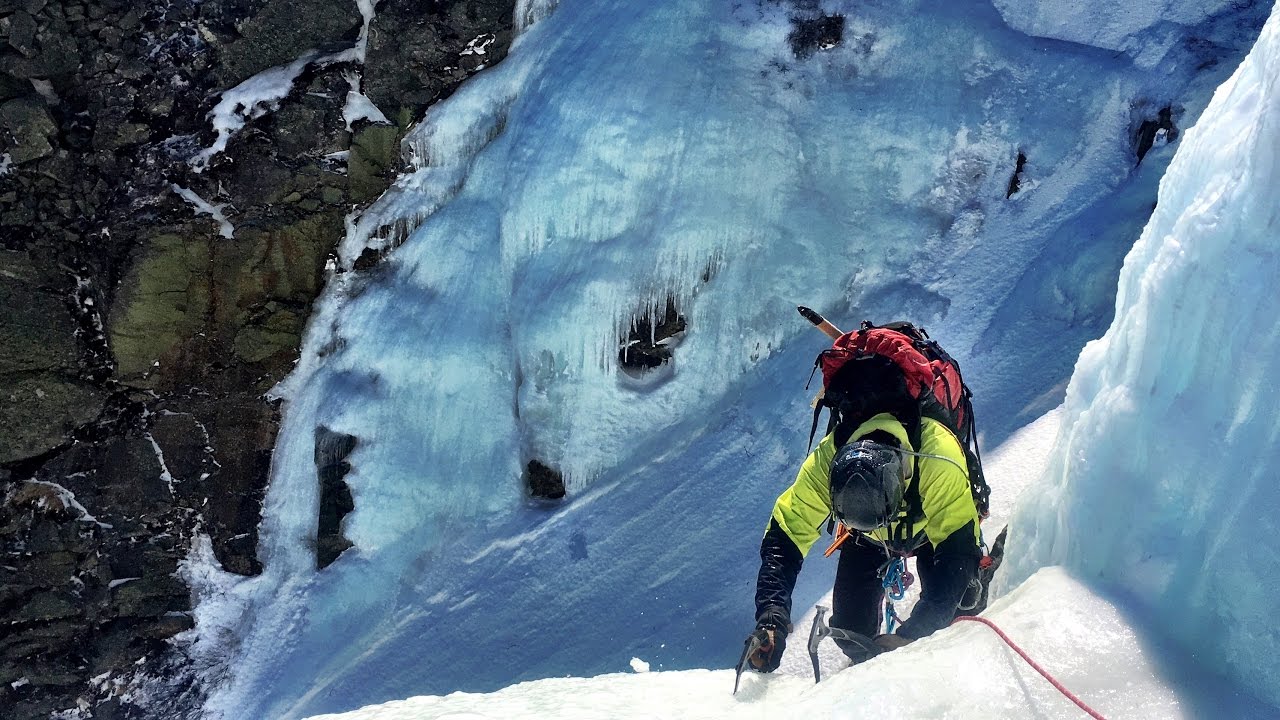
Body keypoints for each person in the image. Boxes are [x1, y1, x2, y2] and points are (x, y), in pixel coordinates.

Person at [745, 409, 982, 671]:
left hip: (931, 530)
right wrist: (771, 615)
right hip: (865, 535)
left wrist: (912, 636)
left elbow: (957, 549)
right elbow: (785, 536)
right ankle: (867, 675)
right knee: (851, 632)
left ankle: (983, 574)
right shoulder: (826, 461)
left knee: (959, 608)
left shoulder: (937, 454)